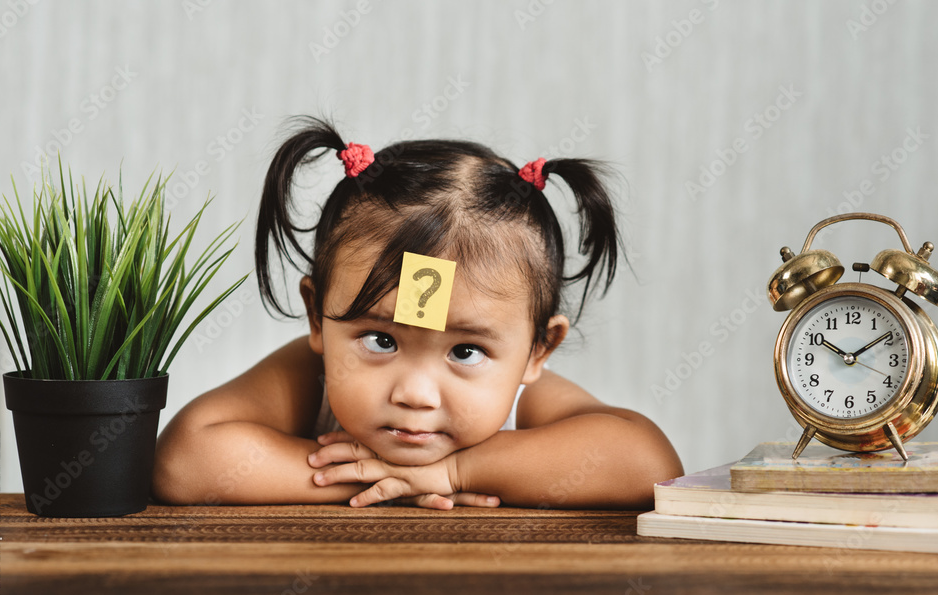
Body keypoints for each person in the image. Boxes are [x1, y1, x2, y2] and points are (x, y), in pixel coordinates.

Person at [152, 116, 682, 510]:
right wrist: (376, 479)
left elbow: (647, 466)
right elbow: (185, 463)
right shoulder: (310, 377)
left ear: (536, 352)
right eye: (381, 341)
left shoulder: (525, 400)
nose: (415, 394)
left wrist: (455, 471)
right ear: (318, 318)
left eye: (466, 351)